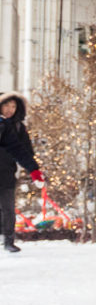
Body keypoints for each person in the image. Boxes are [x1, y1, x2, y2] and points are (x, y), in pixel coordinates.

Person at [1, 94, 45, 253]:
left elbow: (19, 149)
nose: (9, 109)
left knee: (8, 208)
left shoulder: (12, 127)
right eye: (6, 105)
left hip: (6, 173)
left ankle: (9, 241)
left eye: (13, 106)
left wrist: (33, 169)